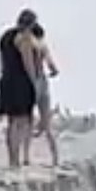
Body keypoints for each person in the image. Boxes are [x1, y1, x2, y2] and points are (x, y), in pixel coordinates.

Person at [0, 9, 39, 168]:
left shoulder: (6, 36)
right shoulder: (24, 38)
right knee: (20, 121)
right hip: (20, 82)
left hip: (6, 79)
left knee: (11, 122)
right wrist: (34, 82)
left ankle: (12, 159)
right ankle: (16, 159)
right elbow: (28, 63)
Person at [29, 23, 60, 167]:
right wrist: (53, 73)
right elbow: (53, 67)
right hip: (43, 81)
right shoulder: (43, 46)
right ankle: (55, 158)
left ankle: (25, 156)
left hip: (30, 82)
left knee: (25, 120)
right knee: (47, 123)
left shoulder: (29, 45)